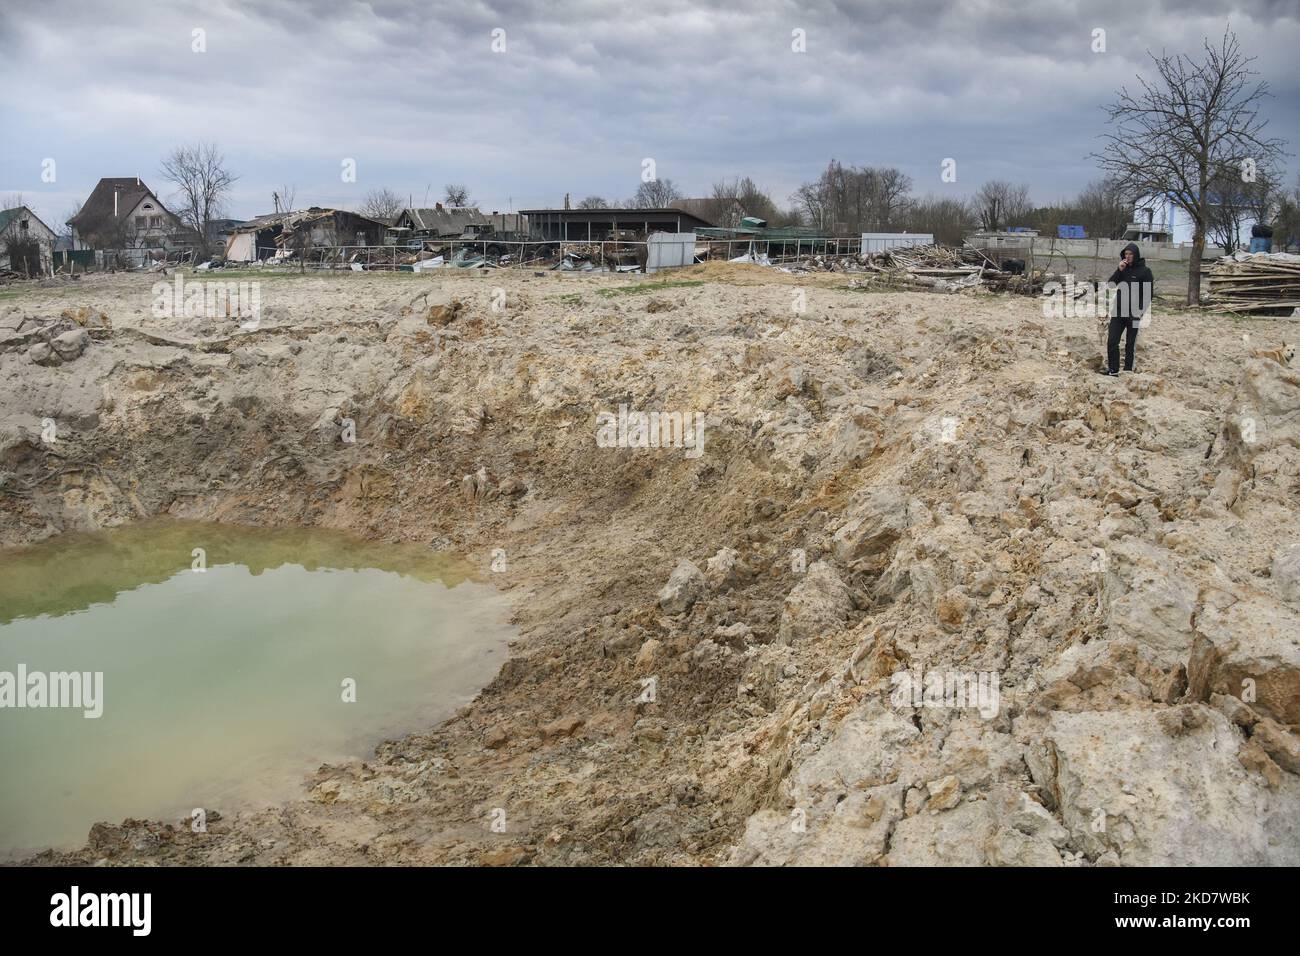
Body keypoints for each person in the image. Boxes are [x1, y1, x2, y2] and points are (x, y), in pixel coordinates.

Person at [1101, 242, 1153, 375]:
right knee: (1112, 341)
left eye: (1130, 254)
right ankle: (1113, 370)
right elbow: (1111, 285)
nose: (1128, 256)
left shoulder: (1145, 272)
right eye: (1126, 254)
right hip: (1118, 311)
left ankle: (1128, 370)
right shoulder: (1123, 269)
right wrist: (1119, 270)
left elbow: (1148, 295)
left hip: (1134, 313)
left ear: (1136, 255)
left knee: (1130, 344)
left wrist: (1140, 313)